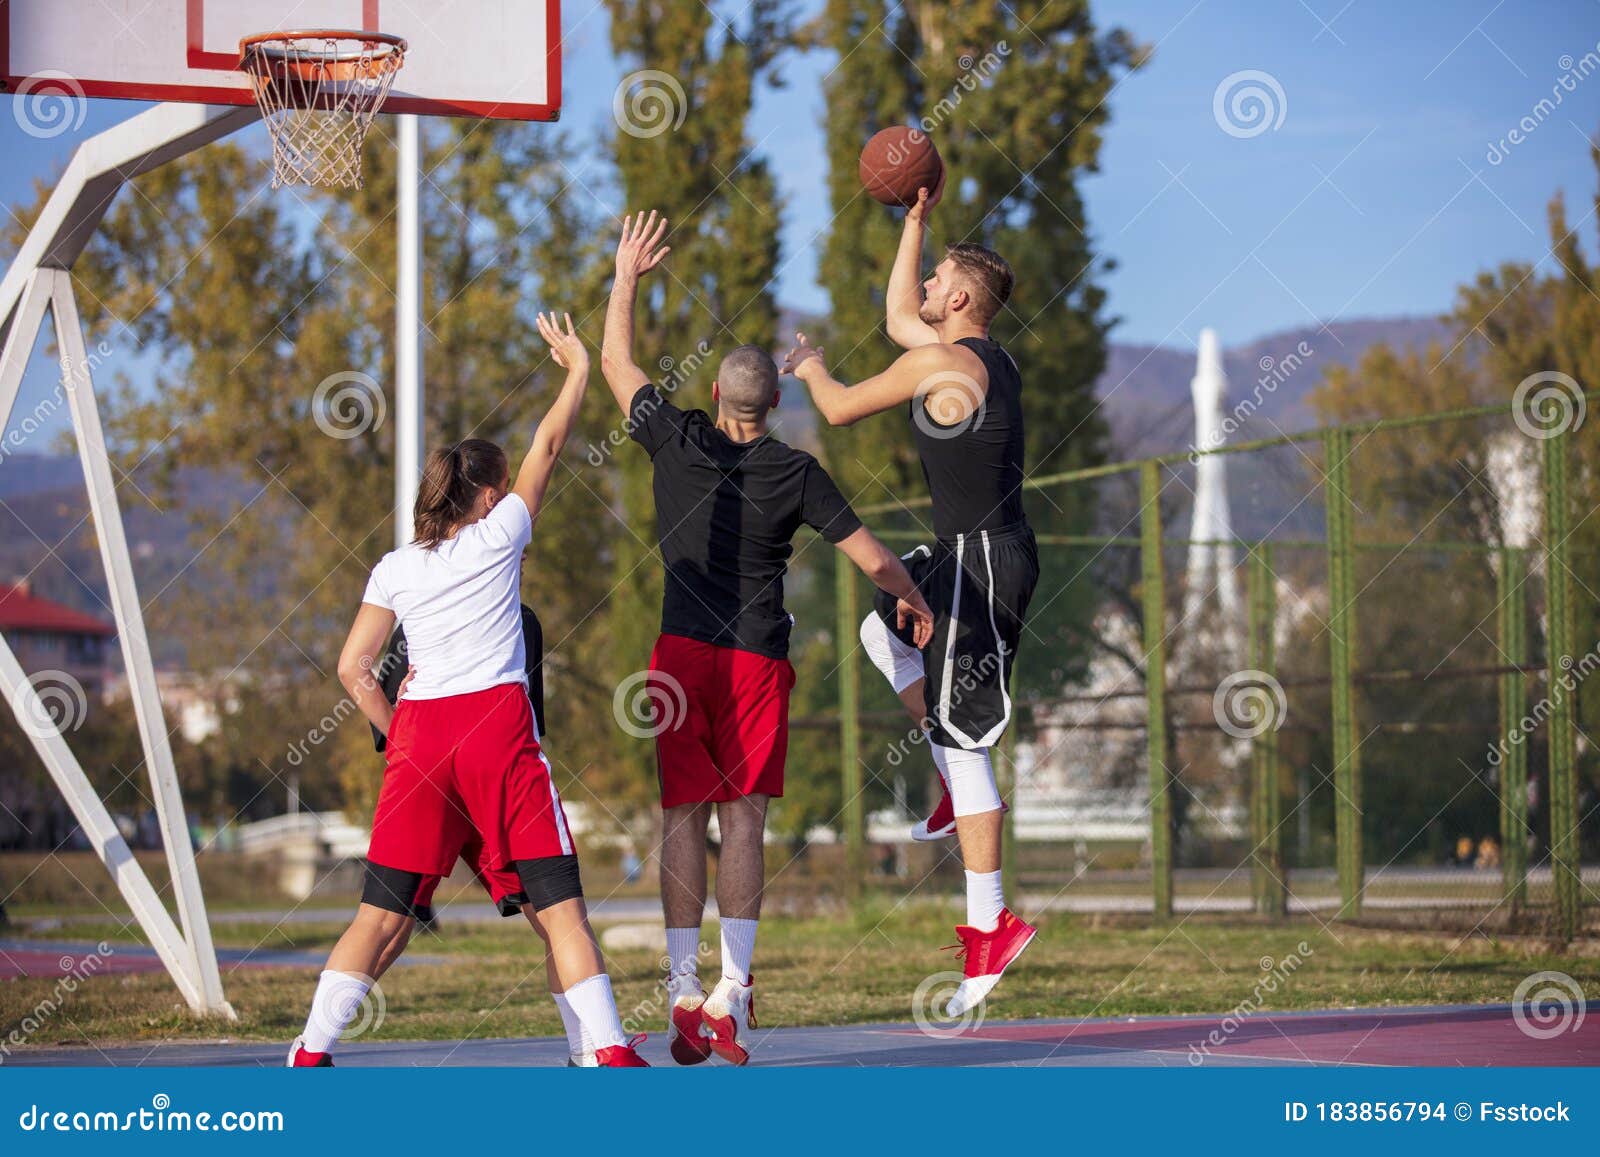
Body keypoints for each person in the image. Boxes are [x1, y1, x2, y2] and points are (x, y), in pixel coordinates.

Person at [602, 211, 935, 1065]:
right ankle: (731, 988)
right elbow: (873, 559)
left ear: (715, 396)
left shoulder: (674, 438)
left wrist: (627, 275)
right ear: (778, 404)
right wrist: (913, 601)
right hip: (754, 656)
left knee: (681, 813)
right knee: (743, 816)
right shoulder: (798, 472)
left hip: (678, 654)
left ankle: (682, 984)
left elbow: (615, 363)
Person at [287, 312, 647, 1068]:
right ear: (488, 494)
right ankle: (610, 1051)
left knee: (379, 917)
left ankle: (310, 1052)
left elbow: (354, 666)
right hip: (495, 730)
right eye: (504, 481)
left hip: (420, 735)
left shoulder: (395, 567)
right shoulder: (502, 534)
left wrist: (394, 731)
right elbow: (551, 444)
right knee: (561, 909)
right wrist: (577, 369)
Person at [783, 172, 1039, 1019]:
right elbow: (901, 317)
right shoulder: (973, 355)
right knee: (881, 629)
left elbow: (846, 407)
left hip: (985, 564)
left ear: (960, 297)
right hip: (967, 553)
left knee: (970, 744)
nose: (923, 288)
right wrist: (914, 225)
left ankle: (991, 920)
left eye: (936, 281)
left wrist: (812, 368)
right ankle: (944, 758)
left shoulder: (944, 362)